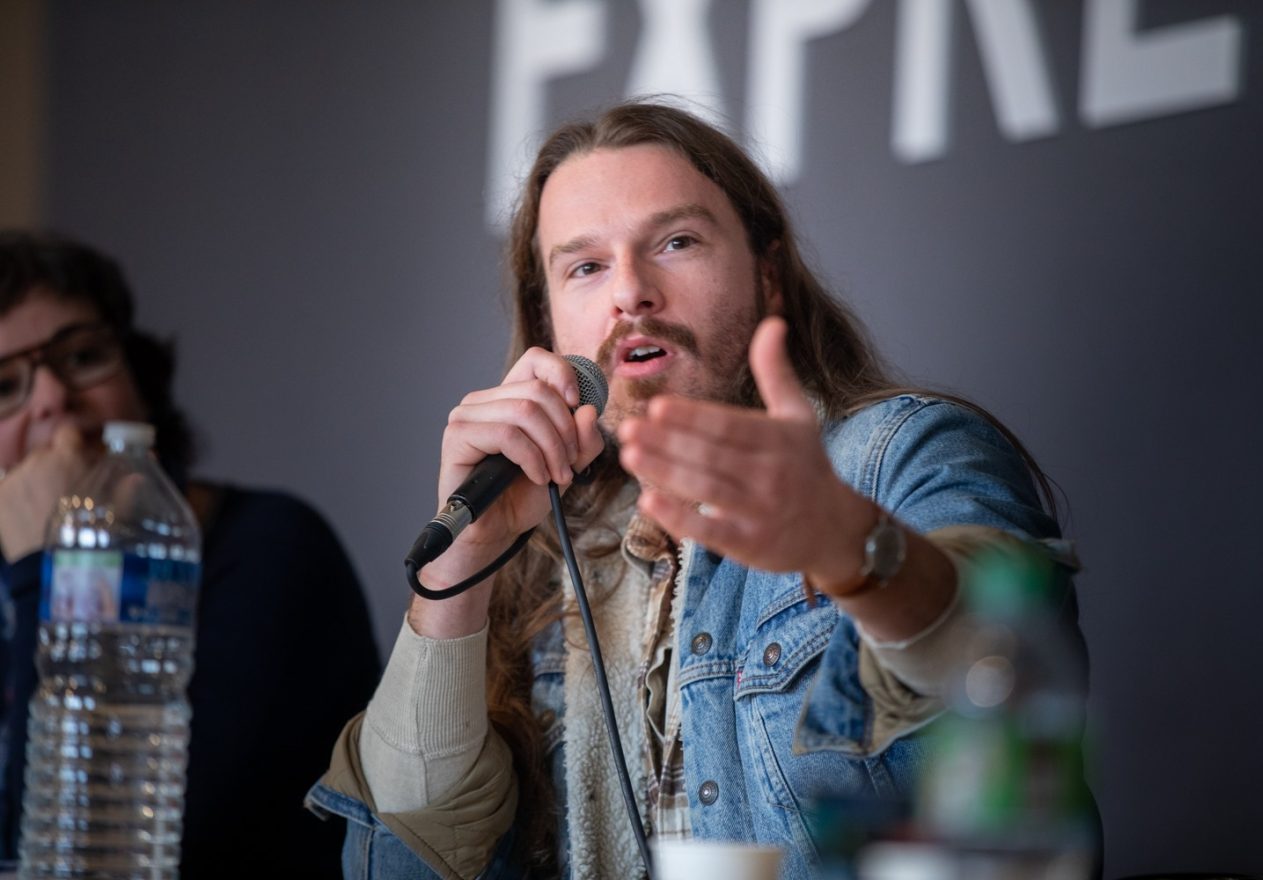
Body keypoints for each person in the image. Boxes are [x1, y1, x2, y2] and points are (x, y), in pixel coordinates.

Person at [309, 100, 1095, 879]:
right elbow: (400, 860)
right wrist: (462, 567)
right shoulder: (535, 552)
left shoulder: (899, 453)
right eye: (586, 267)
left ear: (769, 275)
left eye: (676, 242)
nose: (630, 292)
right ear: (548, 326)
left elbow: (1017, 665)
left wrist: (857, 552)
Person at [0, 230, 382, 878]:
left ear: (140, 378)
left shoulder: (275, 545)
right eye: (6, 385)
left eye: (83, 355)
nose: (52, 399)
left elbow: (103, 852)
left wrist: (49, 566)